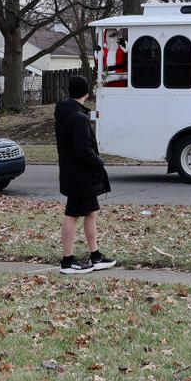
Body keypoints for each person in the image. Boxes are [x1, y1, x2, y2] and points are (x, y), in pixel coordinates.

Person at [56, 75, 116, 274]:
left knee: (92, 212)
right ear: (86, 94)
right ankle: (67, 260)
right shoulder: (78, 117)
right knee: (72, 215)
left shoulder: (65, 114)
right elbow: (83, 151)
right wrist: (99, 161)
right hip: (80, 176)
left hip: (75, 174)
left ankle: (95, 255)